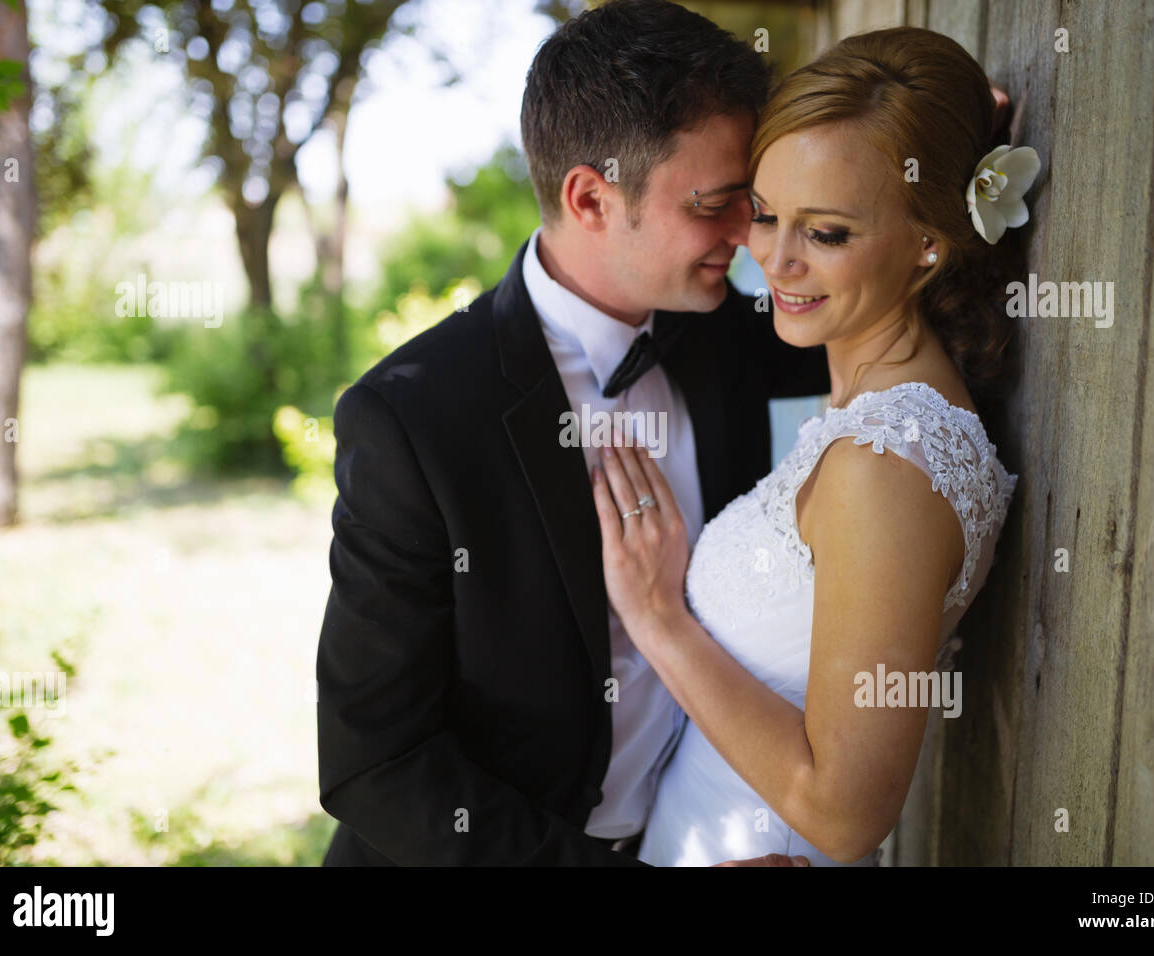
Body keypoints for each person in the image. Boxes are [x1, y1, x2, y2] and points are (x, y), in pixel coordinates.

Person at [316, 0, 830, 866]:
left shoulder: (724, 325)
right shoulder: (413, 419)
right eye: (716, 204)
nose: (748, 235)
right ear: (590, 197)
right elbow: (378, 763)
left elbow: (876, 319)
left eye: (753, 200)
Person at [590, 26, 1034, 865]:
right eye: (763, 214)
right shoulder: (869, 412)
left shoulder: (886, 467)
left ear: (932, 240)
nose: (775, 260)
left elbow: (843, 812)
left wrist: (658, 619)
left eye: (826, 233)